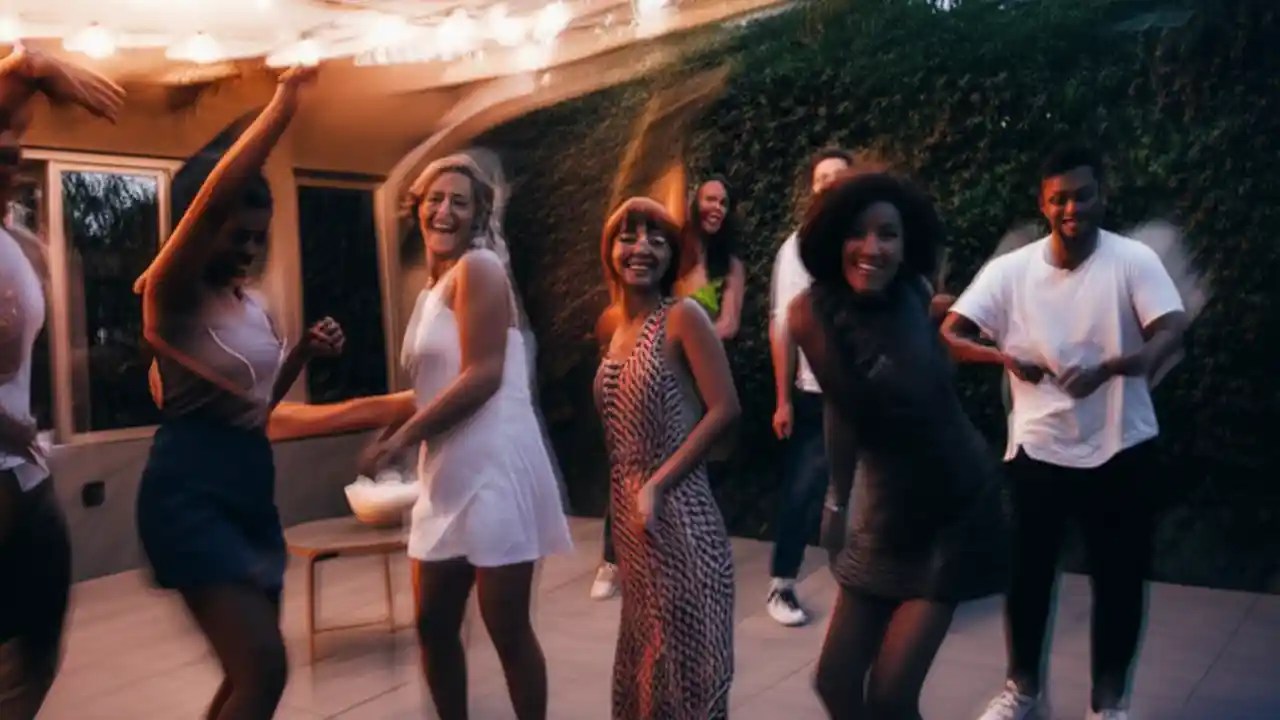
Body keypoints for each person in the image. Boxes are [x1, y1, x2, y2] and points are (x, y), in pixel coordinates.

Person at [944, 144, 1188, 720]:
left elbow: (1171, 329)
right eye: (1059, 199)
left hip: (1121, 445)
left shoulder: (1131, 261)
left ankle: (1108, 705)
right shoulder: (1012, 270)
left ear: (1102, 196)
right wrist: (1004, 357)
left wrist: (1114, 366)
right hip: (1039, 448)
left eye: (1082, 195)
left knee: (1119, 583)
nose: (1071, 208)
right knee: (1027, 578)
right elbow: (951, 334)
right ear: (1044, 203)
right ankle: (1021, 691)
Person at [133, 67, 346, 720]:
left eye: (261, 235)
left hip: (250, 486)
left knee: (247, 677)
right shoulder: (171, 296)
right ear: (206, 229)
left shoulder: (248, 304)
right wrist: (282, 109)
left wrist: (303, 353)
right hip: (189, 491)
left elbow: (258, 406)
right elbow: (217, 194)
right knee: (264, 669)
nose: (251, 247)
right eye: (239, 233)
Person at [356, 152, 573, 720]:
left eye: (459, 201)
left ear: (478, 214)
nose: (444, 210)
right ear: (417, 208)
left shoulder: (480, 270)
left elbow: (483, 375)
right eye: (434, 199)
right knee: (432, 623)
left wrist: (403, 437)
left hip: (495, 464)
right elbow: (432, 386)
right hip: (447, 468)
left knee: (505, 624)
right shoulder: (432, 287)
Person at [788, 172, 1008, 719]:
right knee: (836, 682)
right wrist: (838, 498)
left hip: (958, 508)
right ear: (832, 237)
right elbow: (842, 409)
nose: (872, 248)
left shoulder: (913, 292)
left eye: (888, 234)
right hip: (887, 515)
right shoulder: (809, 314)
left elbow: (928, 366)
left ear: (906, 244)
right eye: (857, 233)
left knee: (890, 696)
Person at [0, 44, 123, 720]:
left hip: (26, 479)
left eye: (15, 148)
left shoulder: (19, 245)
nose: (11, 157)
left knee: (38, 654)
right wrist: (28, 65)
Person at [596, 197, 739, 719]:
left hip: (683, 522)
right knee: (642, 682)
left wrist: (658, 482)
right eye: (628, 236)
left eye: (657, 239)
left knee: (686, 681)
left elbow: (724, 409)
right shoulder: (609, 324)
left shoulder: (683, 317)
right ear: (609, 248)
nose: (641, 249)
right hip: (635, 534)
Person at [766, 146, 854, 626]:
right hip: (817, 393)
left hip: (867, 394)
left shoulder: (869, 239)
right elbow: (782, 325)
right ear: (812, 189)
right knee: (804, 487)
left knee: (862, 491)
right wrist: (782, 398)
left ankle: (862, 582)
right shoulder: (799, 246)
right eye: (823, 178)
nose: (832, 183)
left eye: (841, 175)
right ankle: (781, 584)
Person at [675, 176, 746, 340]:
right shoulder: (673, 252)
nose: (717, 208)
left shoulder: (732, 266)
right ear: (694, 204)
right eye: (710, 200)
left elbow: (729, 324)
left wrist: (692, 342)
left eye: (723, 203)